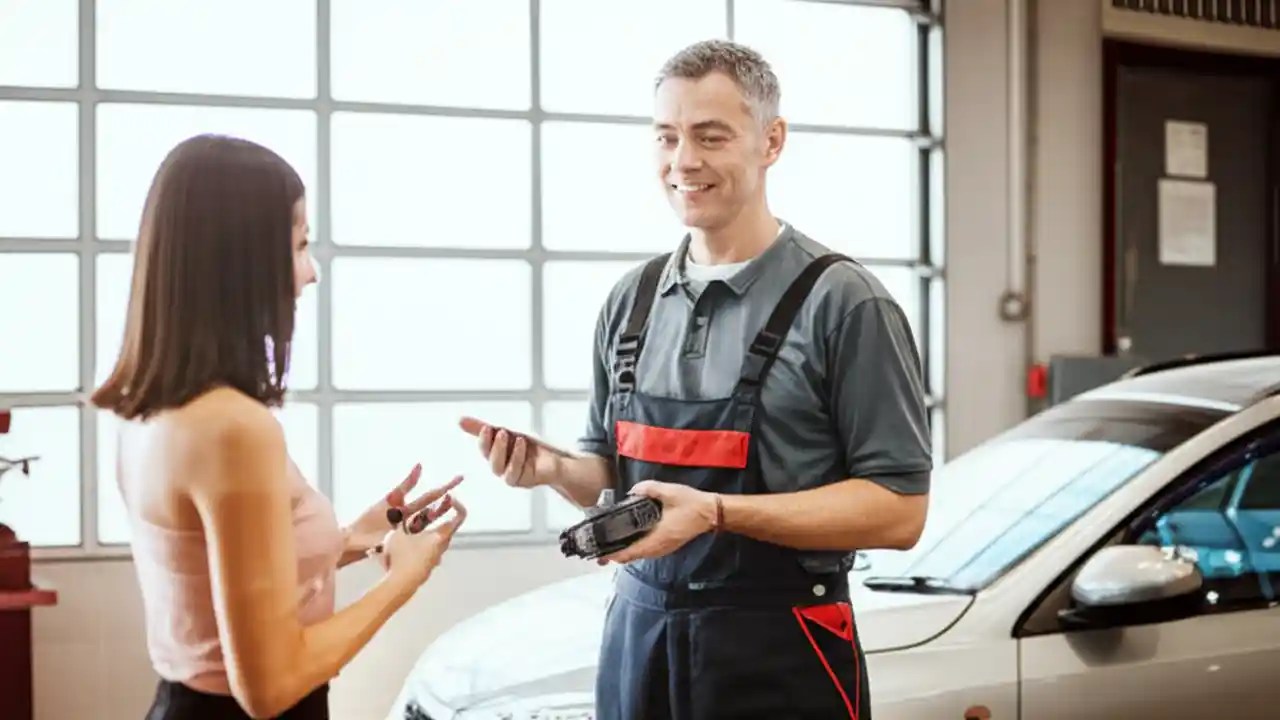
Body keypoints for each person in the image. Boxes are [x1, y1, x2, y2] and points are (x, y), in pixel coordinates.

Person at [463, 39, 931, 719]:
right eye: (667, 137)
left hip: (782, 646)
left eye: (710, 137)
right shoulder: (631, 301)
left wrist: (714, 514)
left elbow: (900, 511)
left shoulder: (845, 304)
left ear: (771, 142)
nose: (684, 162)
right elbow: (611, 482)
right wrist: (555, 469)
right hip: (640, 636)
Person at [93, 134, 468, 720]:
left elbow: (214, 581)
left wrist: (346, 540)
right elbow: (269, 687)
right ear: (240, 262)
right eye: (299, 245)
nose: (311, 273)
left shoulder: (150, 406)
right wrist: (404, 578)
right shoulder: (232, 428)